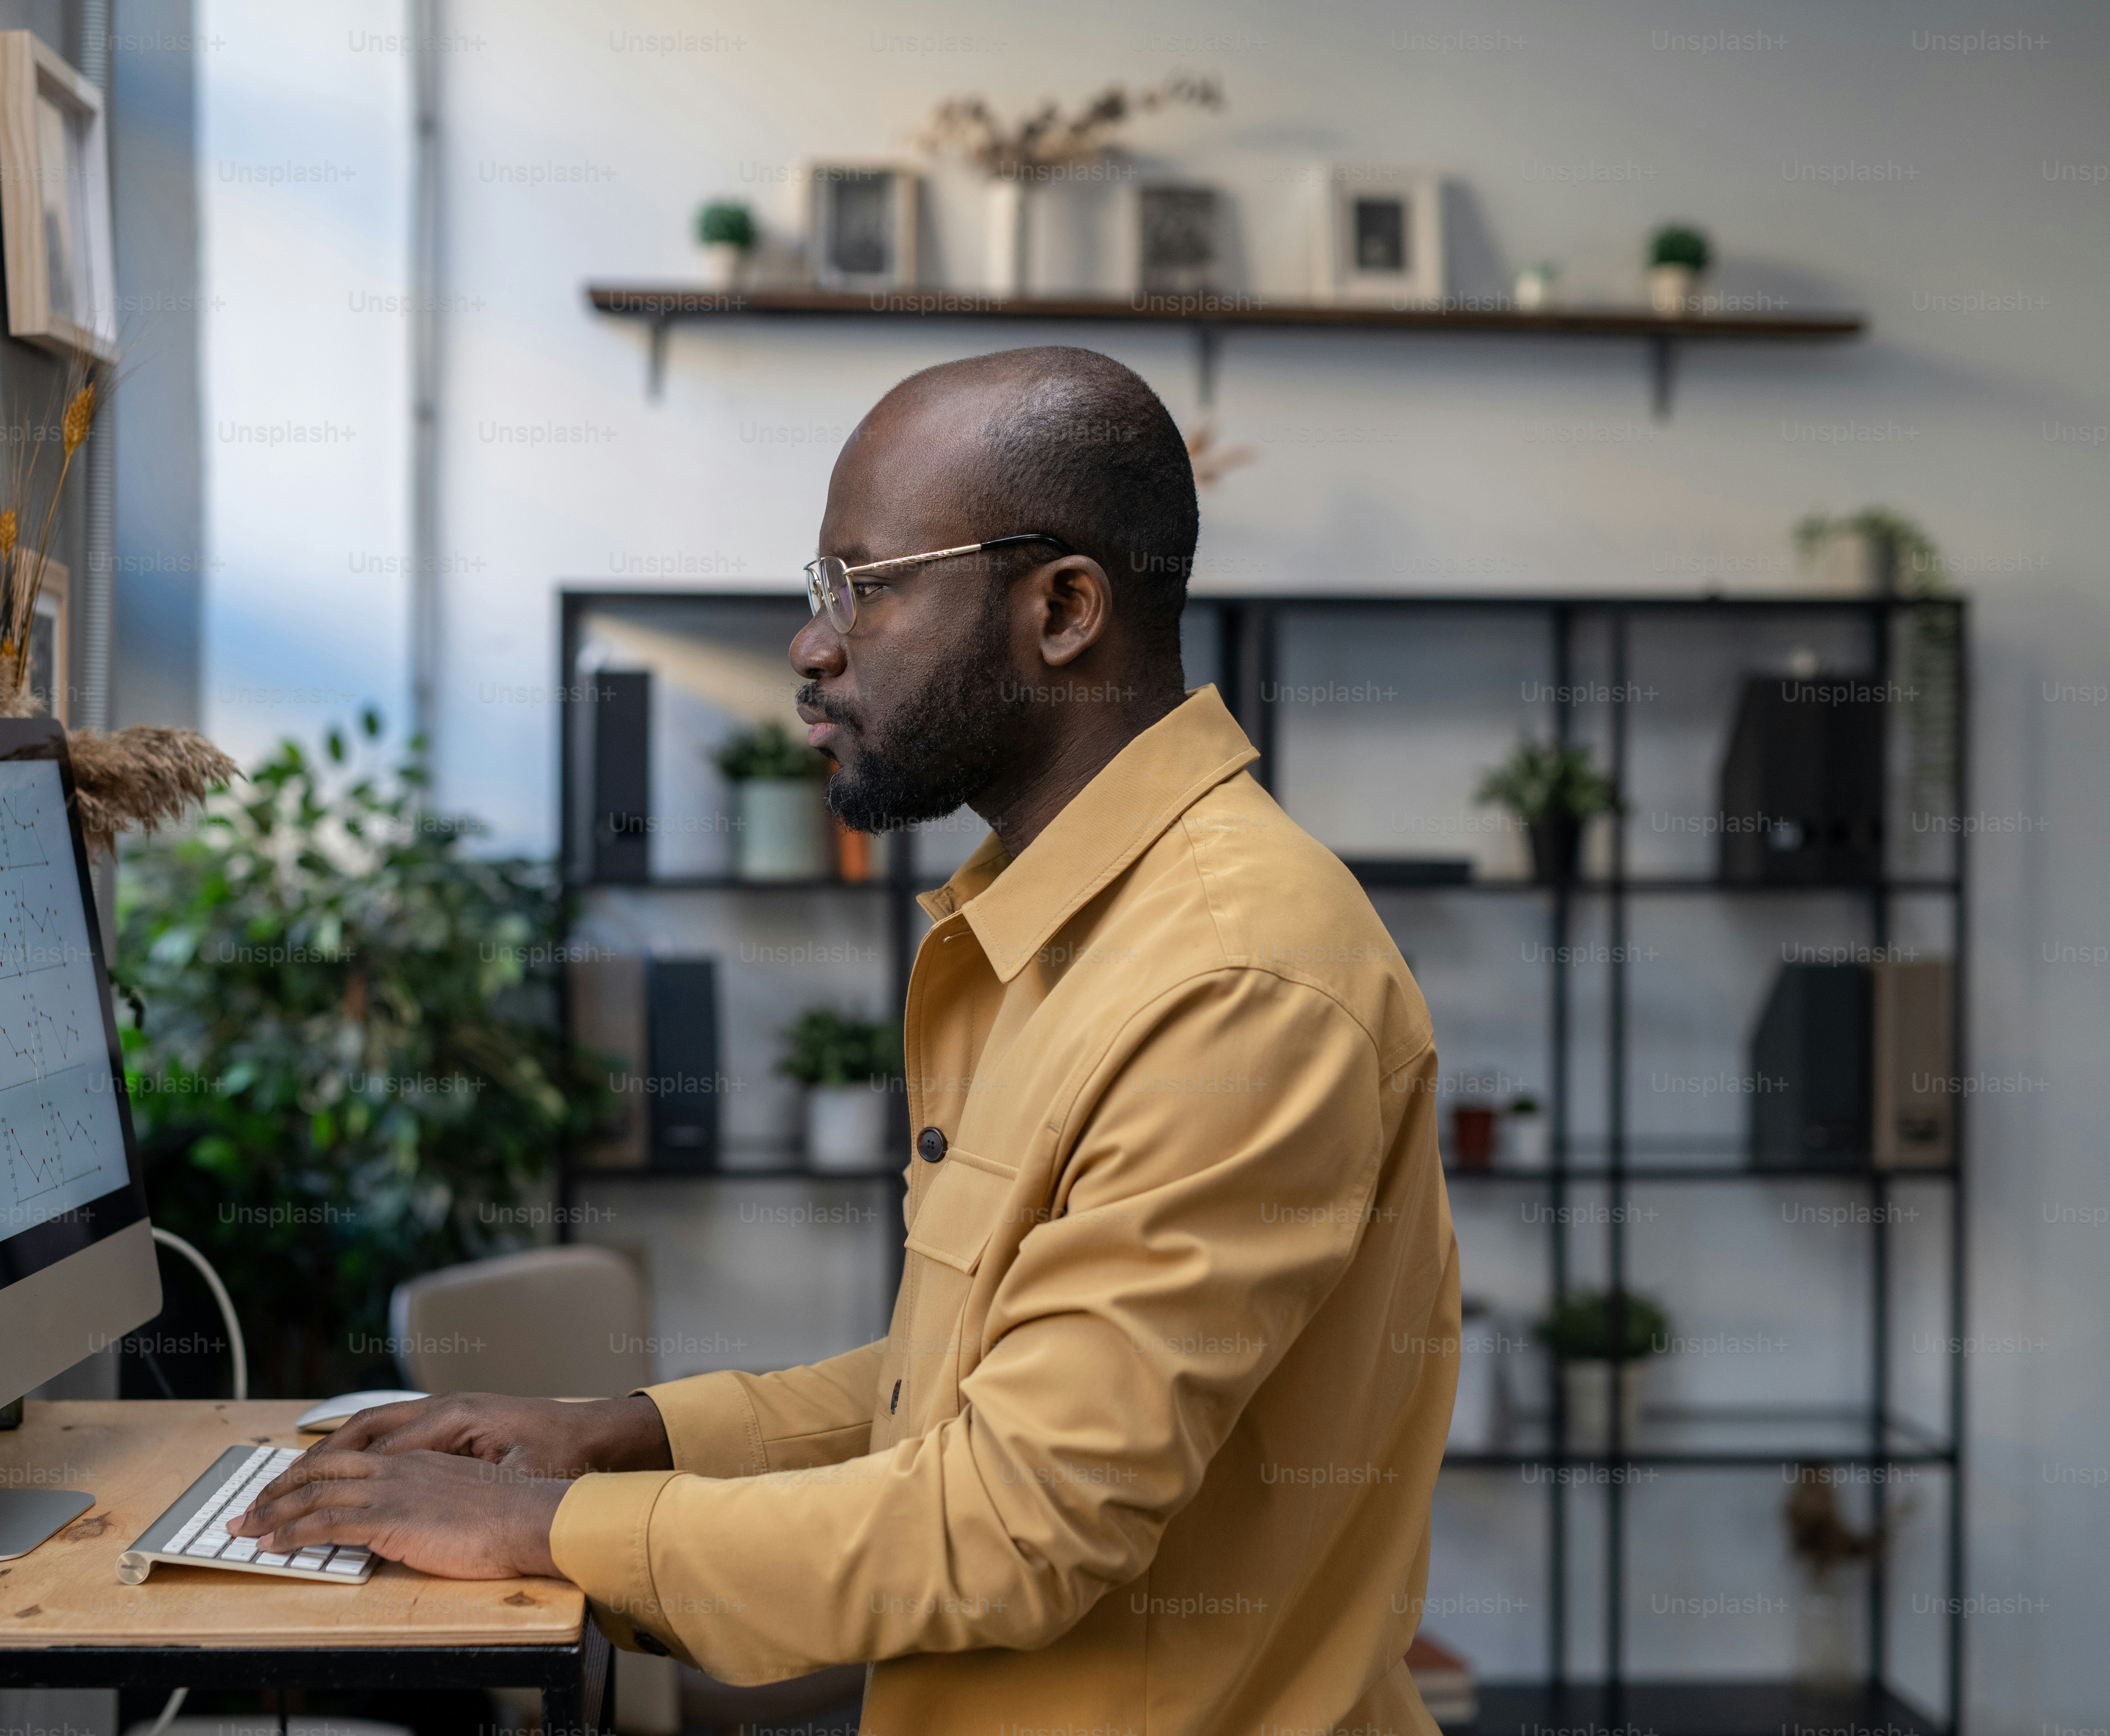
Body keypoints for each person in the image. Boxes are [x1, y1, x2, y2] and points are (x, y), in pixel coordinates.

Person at [229, 346, 1461, 1734]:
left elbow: (1013, 1523)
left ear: (1060, 609)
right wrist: (620, 1432)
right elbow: (954, 1400)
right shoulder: (1057, 929)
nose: (813, 646)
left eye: (866, 588)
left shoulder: (1235, 979)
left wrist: (553, 1526)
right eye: (823, 592)